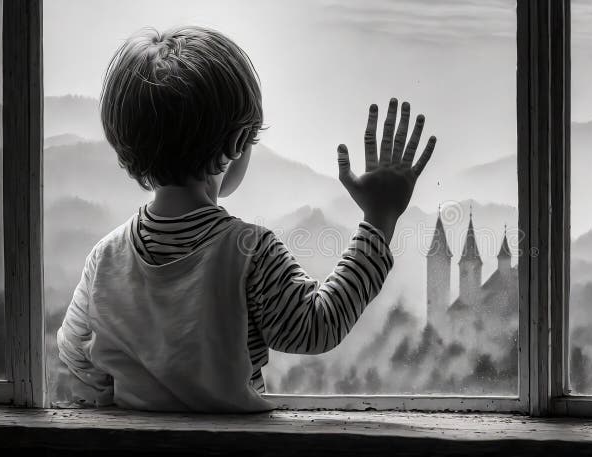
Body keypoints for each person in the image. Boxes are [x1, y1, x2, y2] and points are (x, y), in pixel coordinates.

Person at [55, 26, 436, 412]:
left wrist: (114, 403)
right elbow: (317, 327)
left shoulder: (104, 259)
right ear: (238, 143)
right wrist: (379, 218)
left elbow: (74, 349)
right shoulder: (250, 252)